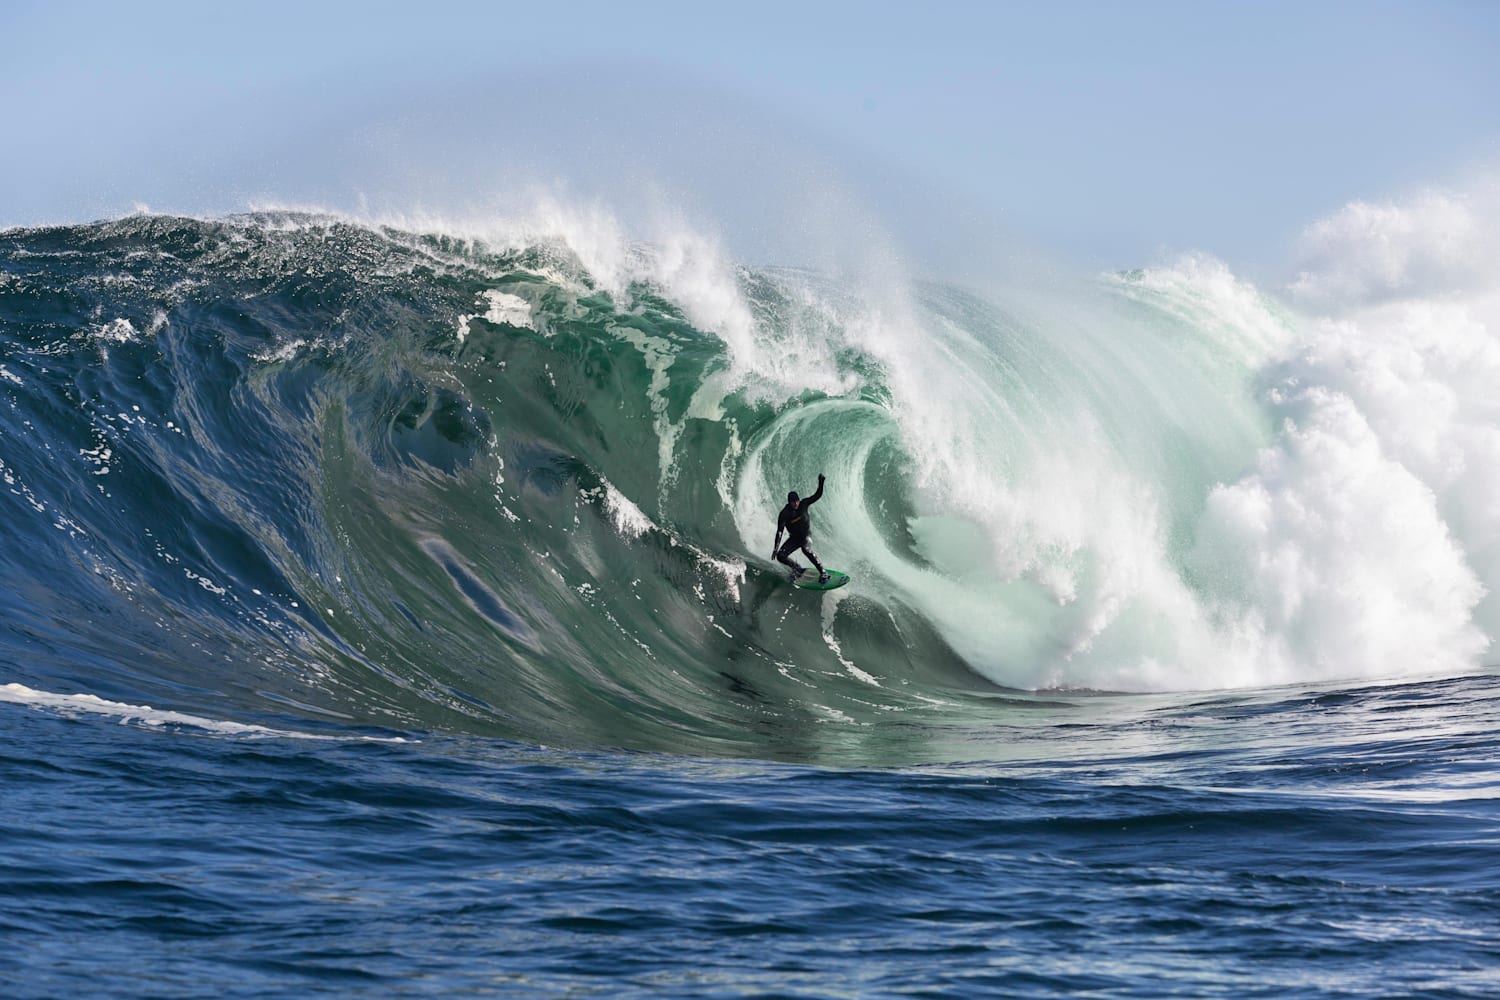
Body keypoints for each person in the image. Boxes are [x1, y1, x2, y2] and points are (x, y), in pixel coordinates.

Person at [773, 473, 829, 584]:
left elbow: (817, 495)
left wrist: (821, 483)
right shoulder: (785, 513)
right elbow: (780, 531)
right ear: (789, 502)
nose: (796, 503)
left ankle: (823, 572)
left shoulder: (804, 504)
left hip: (806, 535)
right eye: (793, 502)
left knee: (805, 549)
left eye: (797, 501)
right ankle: (797, 568)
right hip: (794, 538)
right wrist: (776, 548)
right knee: (780, 556)